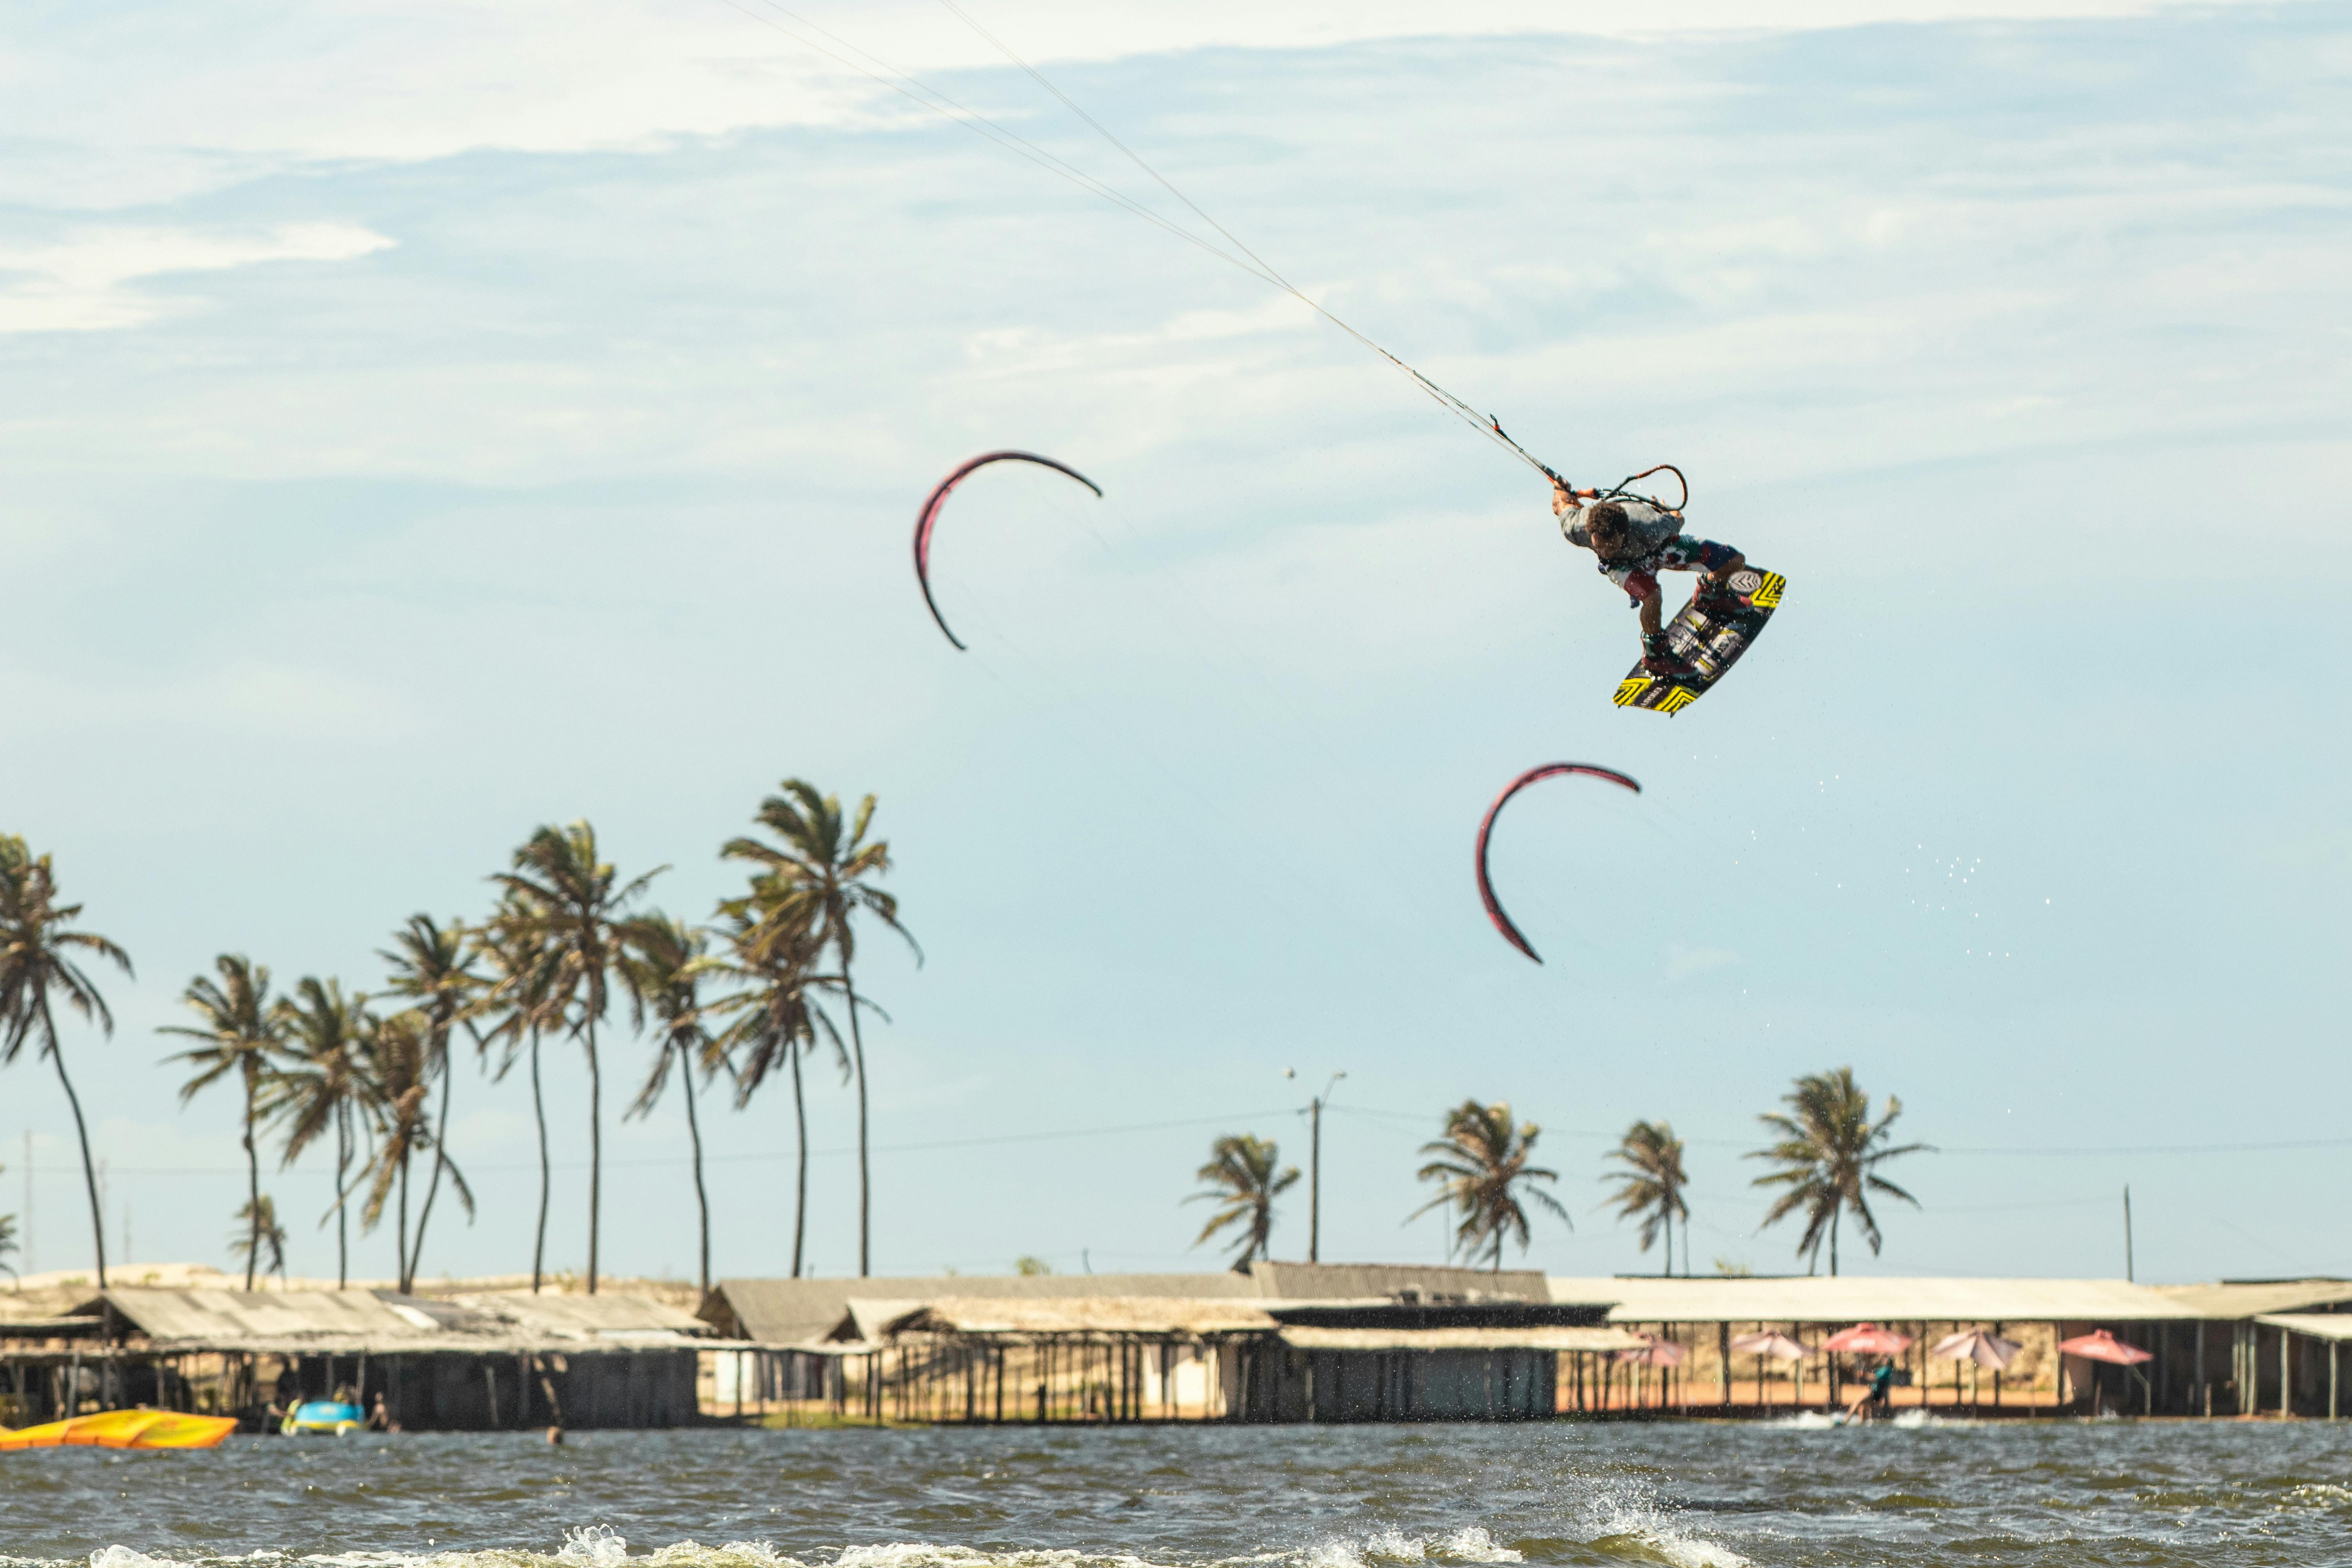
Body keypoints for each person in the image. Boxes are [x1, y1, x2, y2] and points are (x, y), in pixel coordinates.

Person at [1552, 482, 1746, 679]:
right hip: (1623, 566)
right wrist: (1560, 487)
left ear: (1623, 533)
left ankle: (1710, 594)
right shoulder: (1577, 528)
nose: (1604, 552)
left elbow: (1678, 518)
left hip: (1657, 549)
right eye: (1599, 547)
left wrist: (1665, 512)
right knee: (1652, 596)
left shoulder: (1651, 527)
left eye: (1611, 546)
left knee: (1735, 561)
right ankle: (1656, 655)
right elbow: (1561, 503)